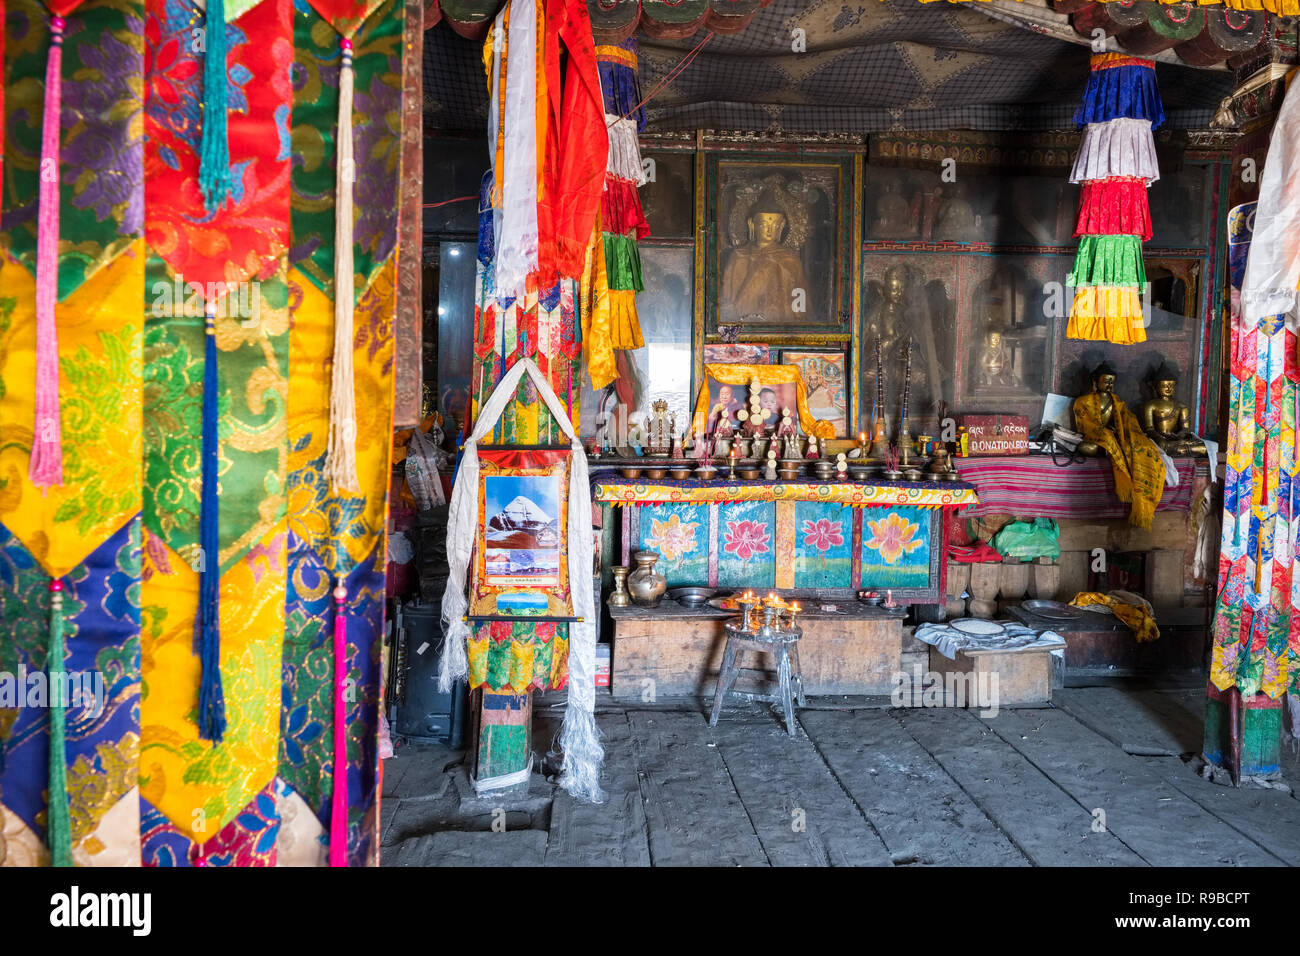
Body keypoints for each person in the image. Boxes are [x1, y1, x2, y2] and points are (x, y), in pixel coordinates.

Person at [1072, 362, 1166, 529]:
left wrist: (1121, 431)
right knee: (1086, 448)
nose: (1109, 385)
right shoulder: (1083, 401)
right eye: (1106, 381)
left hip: (1115, 439)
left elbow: (1127, 421)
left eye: (1112, 382)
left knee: (1140, 447)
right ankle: (1109, 449)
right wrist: (1105, 432)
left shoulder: (1117, 401)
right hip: (1097, 440)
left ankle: (1141, 498)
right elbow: (1084, 425)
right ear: (1095, 381)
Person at [720, 191, 809, 324]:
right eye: (764, 225)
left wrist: (798, 320)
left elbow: (799, 297)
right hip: (743, 324)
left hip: (781, 325)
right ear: (752, 224)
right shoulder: (738, 257)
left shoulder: (789, 259)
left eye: (774, 225)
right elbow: (726, 298)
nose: (769, 230)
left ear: (782, 225)